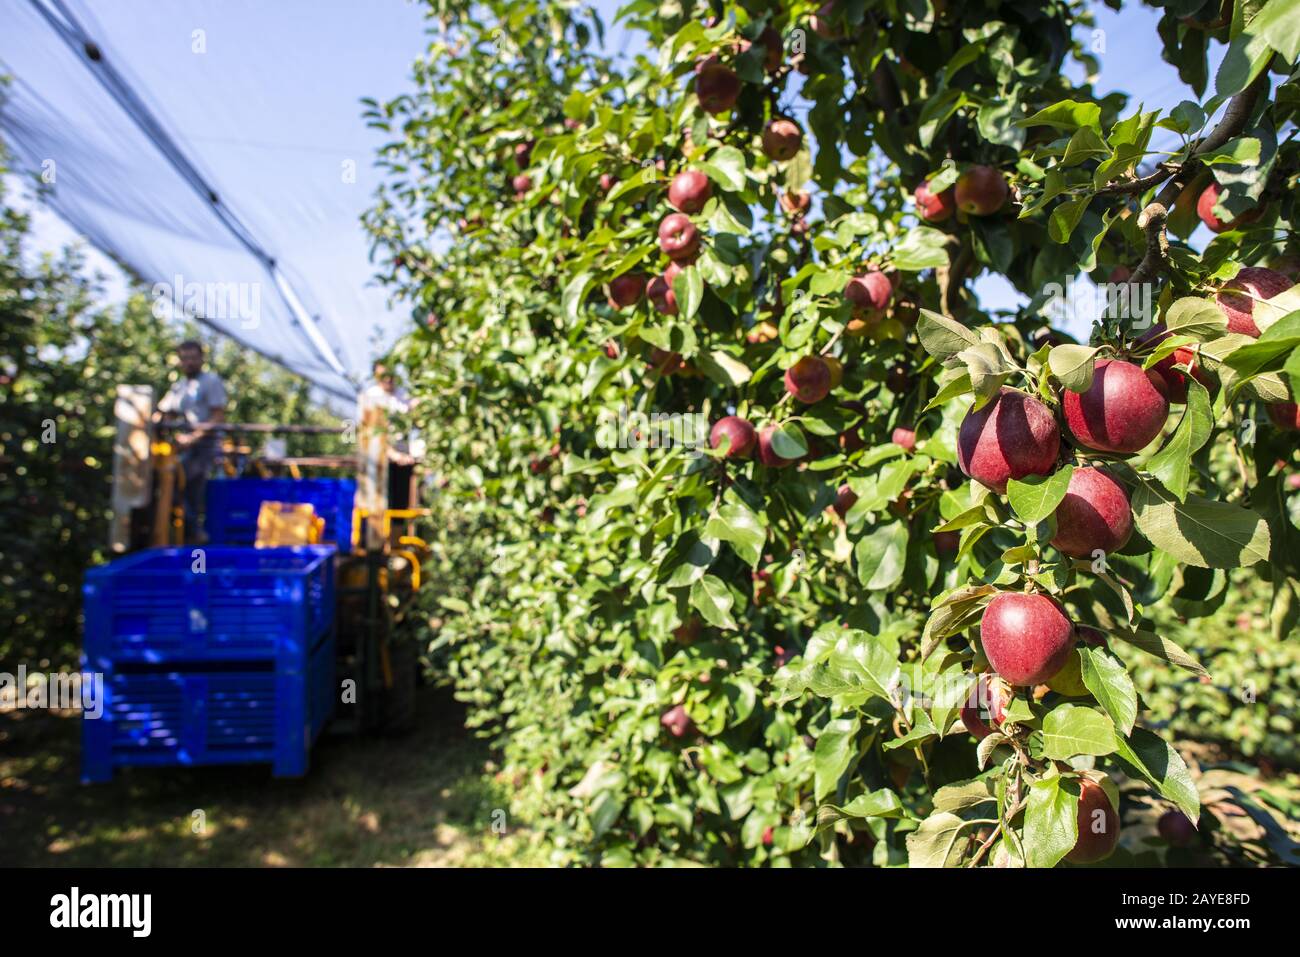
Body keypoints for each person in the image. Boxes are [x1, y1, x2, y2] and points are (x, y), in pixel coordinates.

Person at [155, 340, 227, 542]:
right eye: (185, 358)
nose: (189, 362)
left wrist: (192, 437)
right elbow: (165, 411)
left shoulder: (210, 381)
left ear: (202, 359)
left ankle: (194, 533)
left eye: (193, 358)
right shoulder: (180, 386)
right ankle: (183, 532)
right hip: (183, 447)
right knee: (168, 483)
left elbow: (218, 416)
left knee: (185, 485)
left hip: (204, 446)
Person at [360, 360, 417, 509]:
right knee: (378, 505)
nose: (388, 379)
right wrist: (391, 453)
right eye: (383, 375)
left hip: (404, 456)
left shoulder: (404, 395)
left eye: (390, 374)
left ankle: (396, 532)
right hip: (378, 459)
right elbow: (364, 431)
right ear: (376, 376)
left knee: (400, 505)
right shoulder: (370, 397)